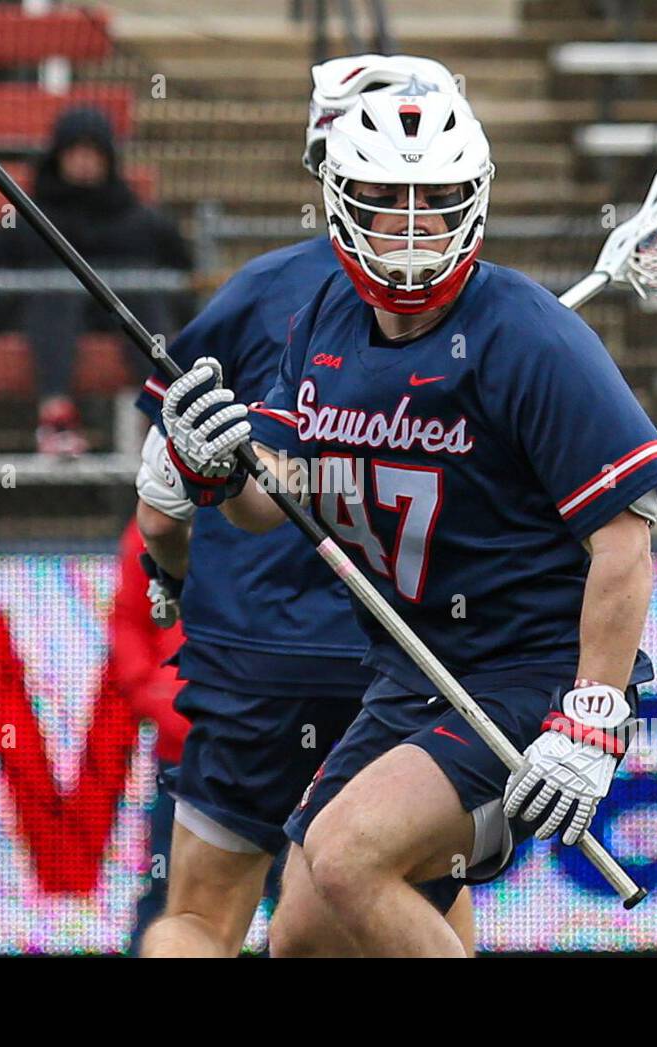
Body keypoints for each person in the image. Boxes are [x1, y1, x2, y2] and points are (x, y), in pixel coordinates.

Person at [156, 83, 657, 956]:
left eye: (434, 204)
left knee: (349, 855)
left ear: (472, 203)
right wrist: (211, 468)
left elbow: (624, 540)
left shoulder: (530, 336)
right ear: (337, 201)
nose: (411, 229)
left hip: (528, 673)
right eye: (385, 202)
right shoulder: (323, 319)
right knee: (303, 937)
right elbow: (275, 496)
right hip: (413, 673)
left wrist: (590, 711)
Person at [133, 55, 474, 958]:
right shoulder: (481, 313)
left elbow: (163, 503)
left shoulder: (258, 291)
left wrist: (167, 582)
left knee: (200, 920)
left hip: (255, 664)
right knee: (413, 914)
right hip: (402, 666)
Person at [0, 106, 192, 455]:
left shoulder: (144, 221)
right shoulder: (29, 220)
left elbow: (183, 286)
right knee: (55, 287)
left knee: (139, 286)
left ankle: (163, 415)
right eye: (75, 152)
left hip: (127, 317)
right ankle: (56, 416)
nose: (84, 162)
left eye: (92, 153)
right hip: (47, 322)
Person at [104, 518, 190, 955]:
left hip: (276, 739)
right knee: (166, 890)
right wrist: (154, 695)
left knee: (295, 896)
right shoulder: (159, 520)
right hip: (185, 749)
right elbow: (129, 620)